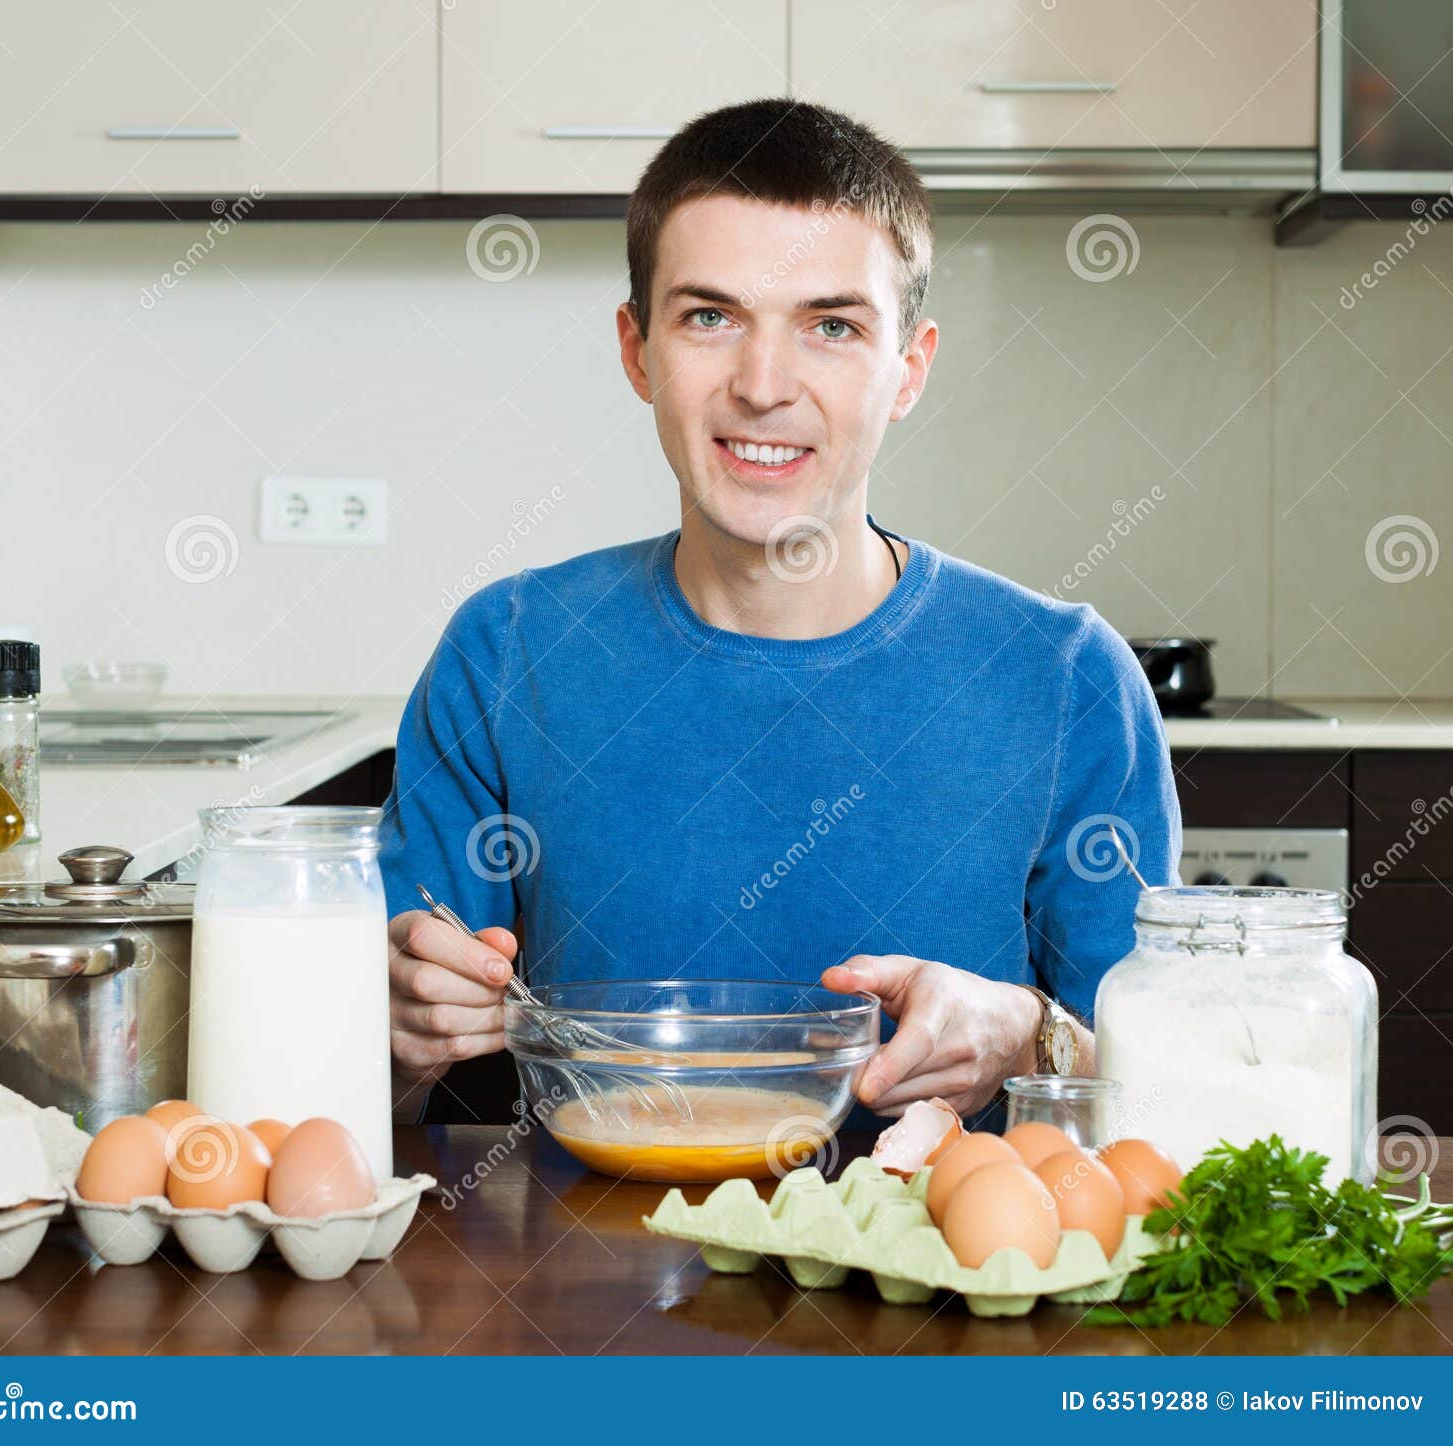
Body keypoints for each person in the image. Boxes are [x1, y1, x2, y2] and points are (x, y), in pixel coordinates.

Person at [380, 97, 1181, 1126]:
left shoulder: (1065, 676)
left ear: (908, 371)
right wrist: (396, 1033)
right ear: (637, 351)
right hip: (594, 1271)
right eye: (708, 317)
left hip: (951, 1277)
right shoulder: (507, 653)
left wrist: (1030, 1032)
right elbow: (381, 1097)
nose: (763, 386)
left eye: (832, 327)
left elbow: (1155, 1091)